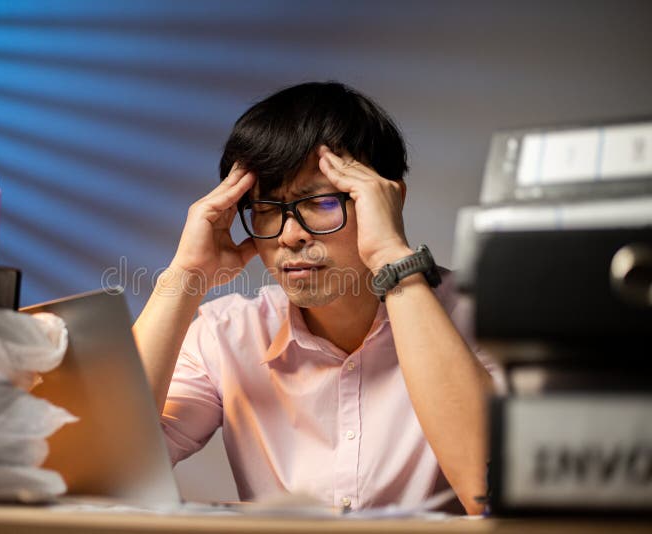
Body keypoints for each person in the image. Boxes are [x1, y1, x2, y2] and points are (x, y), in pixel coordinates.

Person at [132, 81, 501, 514]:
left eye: (321, 203)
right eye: (267, 208)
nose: (290, 235)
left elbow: (490, 492)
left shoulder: (483, 316)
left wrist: (391, 257)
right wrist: (185, 278)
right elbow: (103, 467)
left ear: (387, 200)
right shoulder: (225, 335)